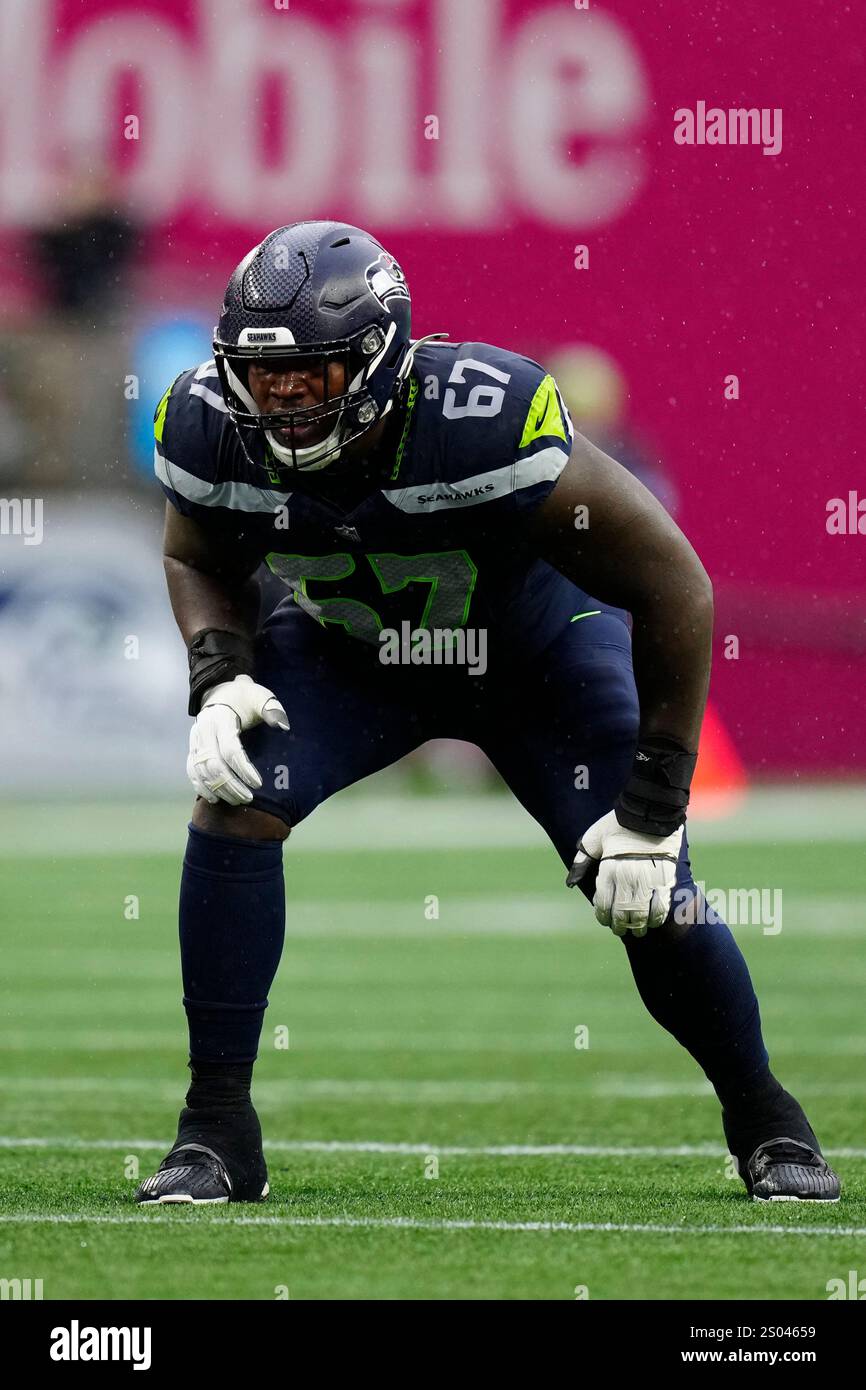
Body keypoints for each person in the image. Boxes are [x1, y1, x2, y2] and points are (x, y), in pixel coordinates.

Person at [136, 221, 839, 1206]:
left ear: (380, 361)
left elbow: (673, 583)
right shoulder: (207, 420)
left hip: (535, 656)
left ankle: (763, 1116)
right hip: (356, 657)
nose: (283, 399)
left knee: (640, 885)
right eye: (266, 376)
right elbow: (196, 554)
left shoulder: (482, 414)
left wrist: (653, 800)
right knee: (233, 799)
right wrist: (217, 672)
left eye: (314, 373)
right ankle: (215, 1131)